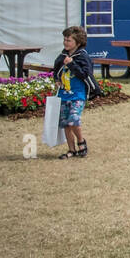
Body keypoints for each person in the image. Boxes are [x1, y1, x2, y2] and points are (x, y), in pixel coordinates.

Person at [54, 25, 94, 158]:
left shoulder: (82, 56)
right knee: (66, 124)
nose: (66, 42)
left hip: (78, 94)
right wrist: (56, 79)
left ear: (78, 42)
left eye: (69, 40)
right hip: (64, 94)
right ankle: (71, 150)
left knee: (74, 119)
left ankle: (81, 141)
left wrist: (71, 64)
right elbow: (56, 68)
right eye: (64, 40)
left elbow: (85, 74)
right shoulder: (62, 55)